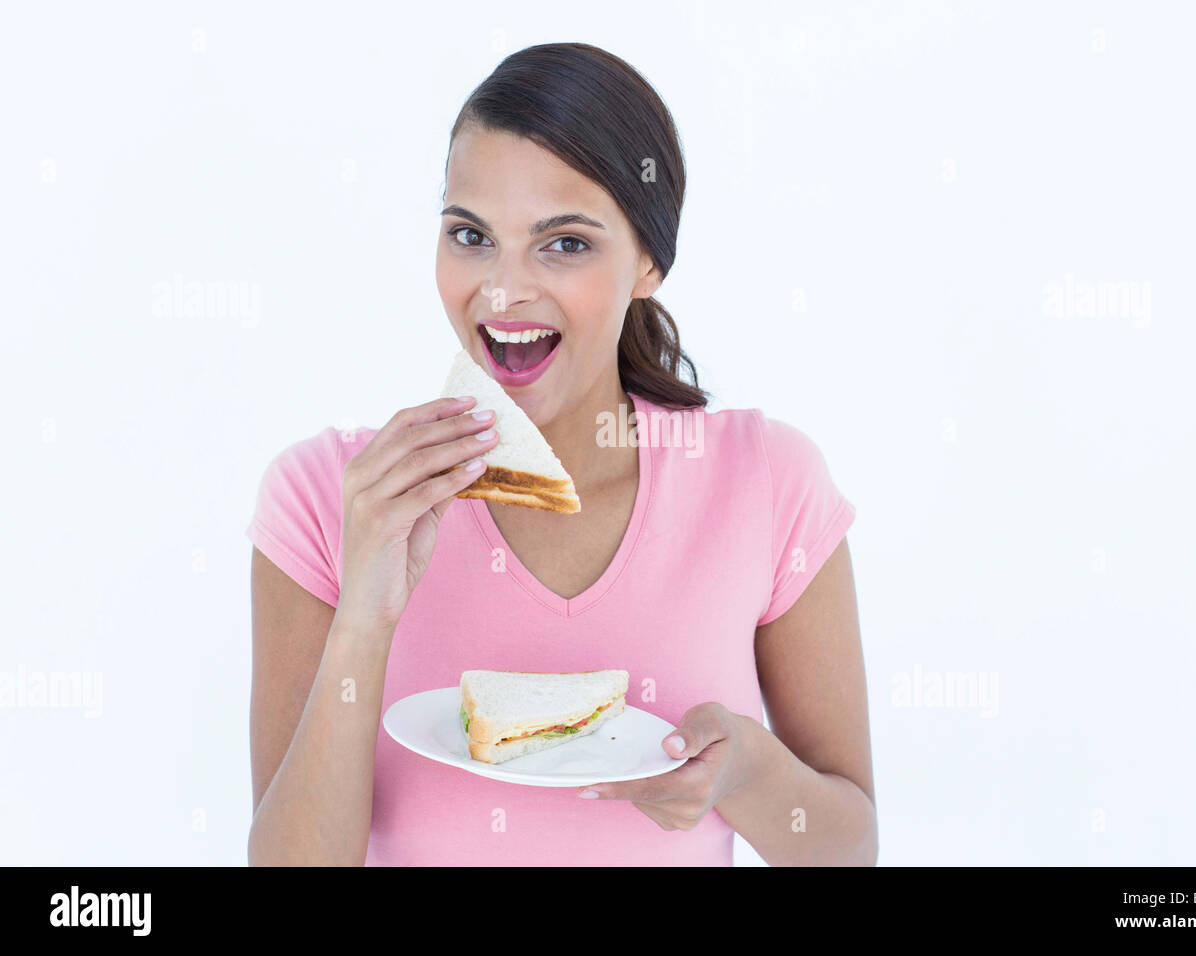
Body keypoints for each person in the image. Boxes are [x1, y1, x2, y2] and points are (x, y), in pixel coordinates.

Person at [245, 42, 877, 866]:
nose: (504, 292)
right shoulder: (326, 496)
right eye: (471, 235)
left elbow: (848, 850)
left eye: (565, 244)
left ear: (648, 261)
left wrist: (745, 774)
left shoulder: (766, 481)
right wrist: (364, 618)